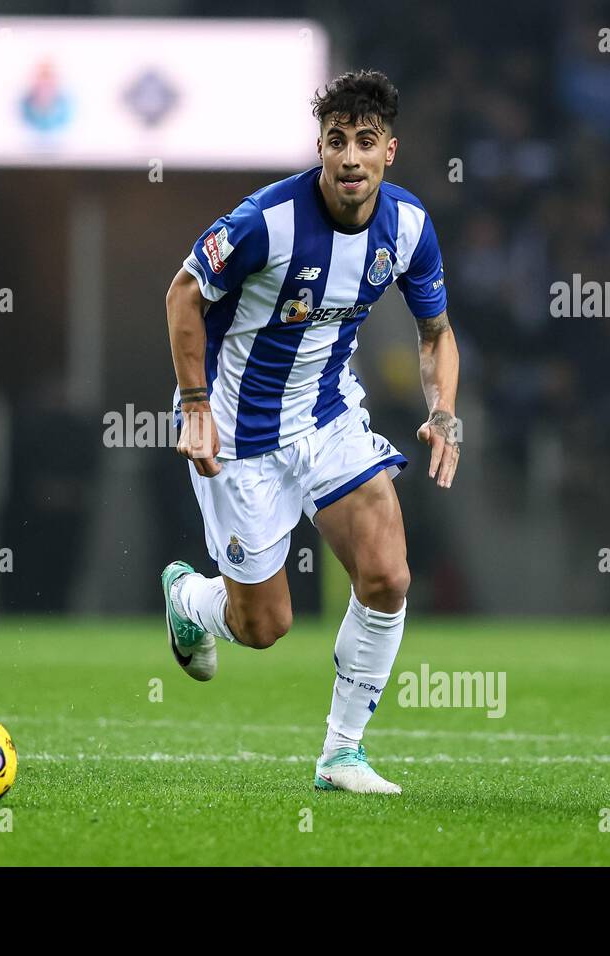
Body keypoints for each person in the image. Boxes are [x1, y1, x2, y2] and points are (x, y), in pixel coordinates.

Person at [160, 70, 461, 795]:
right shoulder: (266, 221)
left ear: (390, 150)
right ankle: (193, 602)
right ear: (319, 149)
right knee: (264, 626)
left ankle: (342, 755)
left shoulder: (410, 227)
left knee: (388, 574)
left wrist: (444, 411)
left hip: (328, 420)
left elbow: (436, 333)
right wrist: (195, 405)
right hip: (238, 432)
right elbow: (182, 295)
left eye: (365, 142)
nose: (350, 158)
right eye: (336, 142)